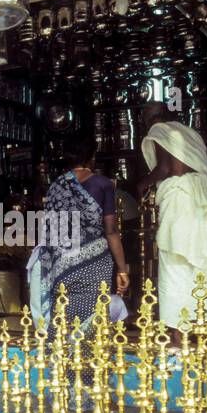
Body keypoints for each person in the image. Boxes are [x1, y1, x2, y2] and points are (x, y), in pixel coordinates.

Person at [28, 136, 130, 328]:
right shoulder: (103, 184)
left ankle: (61, 350)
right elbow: (111, 231)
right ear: (92, 157)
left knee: (64, 316)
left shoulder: (55, 186)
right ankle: (86, 350)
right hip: (94, 266)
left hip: (61, 265)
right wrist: (122, 270)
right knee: (92, 316)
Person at [141, 120, 207, 336]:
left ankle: (178, 336)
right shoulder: (189, 133)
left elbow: (168, 168)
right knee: (201, 263)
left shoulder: (159, 130)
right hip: (202, 197)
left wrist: (138, 184)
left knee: (174, 266)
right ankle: (198, 326)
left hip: (181, 200)